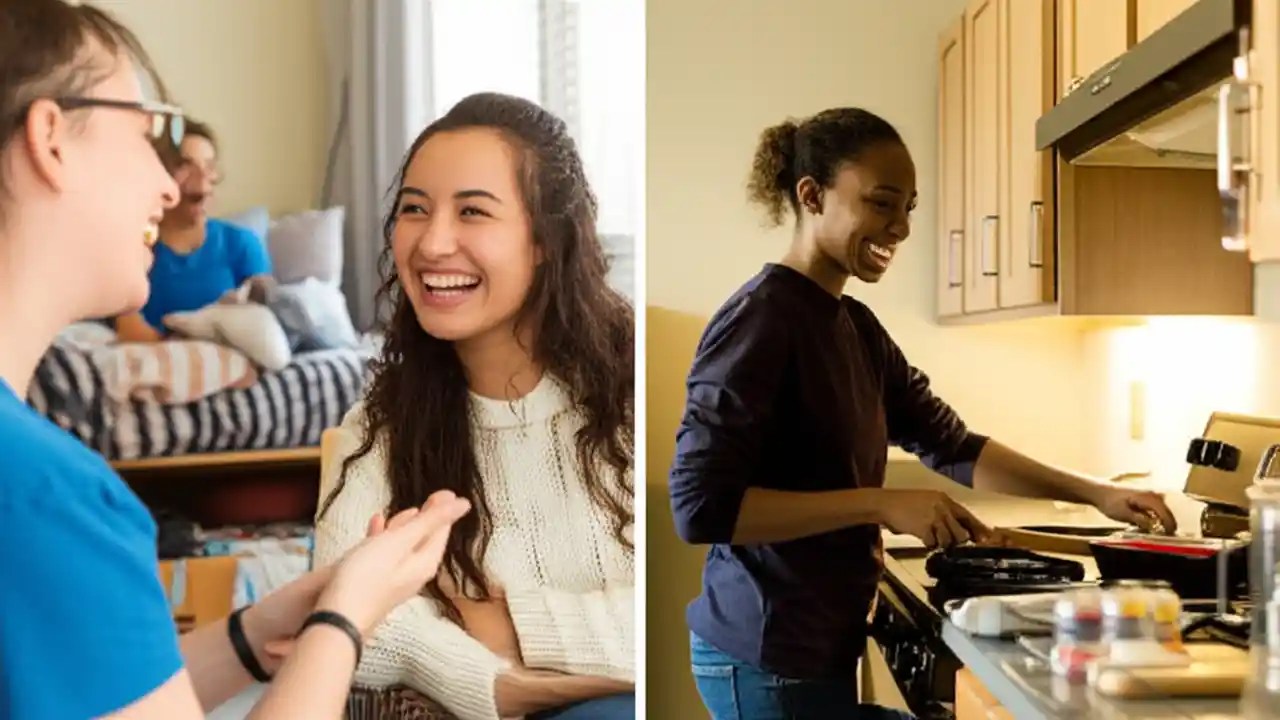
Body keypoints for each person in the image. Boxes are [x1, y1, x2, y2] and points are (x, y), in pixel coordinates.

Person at [0, 2, 471, 718]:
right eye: (149, 131)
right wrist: (345, 620)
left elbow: (106, 690)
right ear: (51, 138)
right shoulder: (49, 499)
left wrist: (253, 636)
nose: (168, 183)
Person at [667, 107, 1180, 720]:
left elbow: (954, 445)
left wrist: (1096, 494)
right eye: (882, 203)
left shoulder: (854, 326)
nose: (901, 227)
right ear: (812, 195)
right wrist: (880, 503)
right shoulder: (761, 320)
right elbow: (701, 509)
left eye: (909, 207)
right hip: (764, 656)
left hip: (808, 650)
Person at [313, 92, 636, 720]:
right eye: (414, 210)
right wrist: (497, 684)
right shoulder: (382, 423)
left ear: (545, 239)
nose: (433, 243)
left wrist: (515, 624)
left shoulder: (633, 396)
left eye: (473, 212)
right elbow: (340, 610)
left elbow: (677, 608)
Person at [113, 118, 274, 342]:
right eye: (184, 166)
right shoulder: (134, 249)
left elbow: (264, 332)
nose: (202, 182)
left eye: (208, 166)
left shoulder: (241, 244)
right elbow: (129, 329)